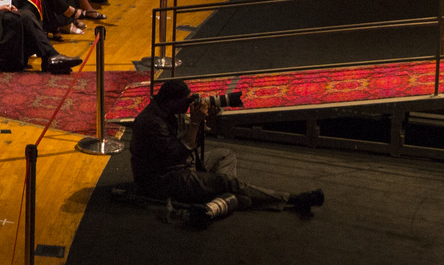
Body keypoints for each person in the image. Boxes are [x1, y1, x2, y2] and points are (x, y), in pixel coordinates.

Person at [128, 80, 323, 225]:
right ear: (171, 101)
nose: (188, 105)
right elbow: (178, 153)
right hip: (162, 179)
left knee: (225, 154)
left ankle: (226, 196)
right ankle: (292, 199)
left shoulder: (168, 111)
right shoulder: (152, 123)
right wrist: (195, 122)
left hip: (178, 165)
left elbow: (189, 143)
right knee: (227, 182)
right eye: (185, 101)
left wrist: (206, 123)